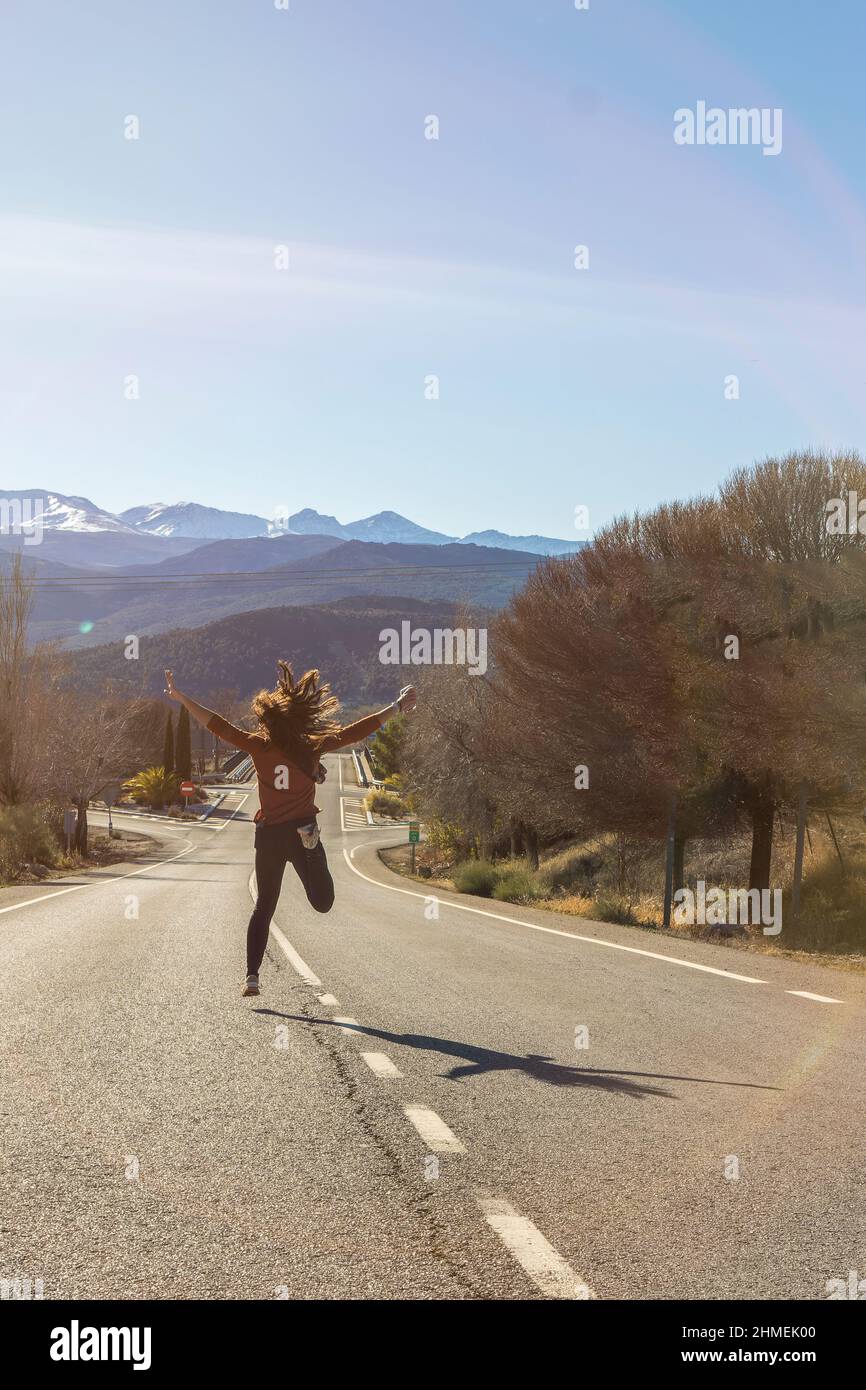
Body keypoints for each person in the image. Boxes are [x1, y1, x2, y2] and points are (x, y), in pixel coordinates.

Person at [164, 664, 416, 996]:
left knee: (264, 905)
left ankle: (252, 977)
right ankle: (311, 853)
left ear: (269, 719)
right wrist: (396, 707)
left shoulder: (258, 746)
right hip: (302, 831)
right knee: (323, 902)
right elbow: (357, 731)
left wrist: (183, 699)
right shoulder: (310, 747)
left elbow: (217, 724)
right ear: (300, 719)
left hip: (269, 836)